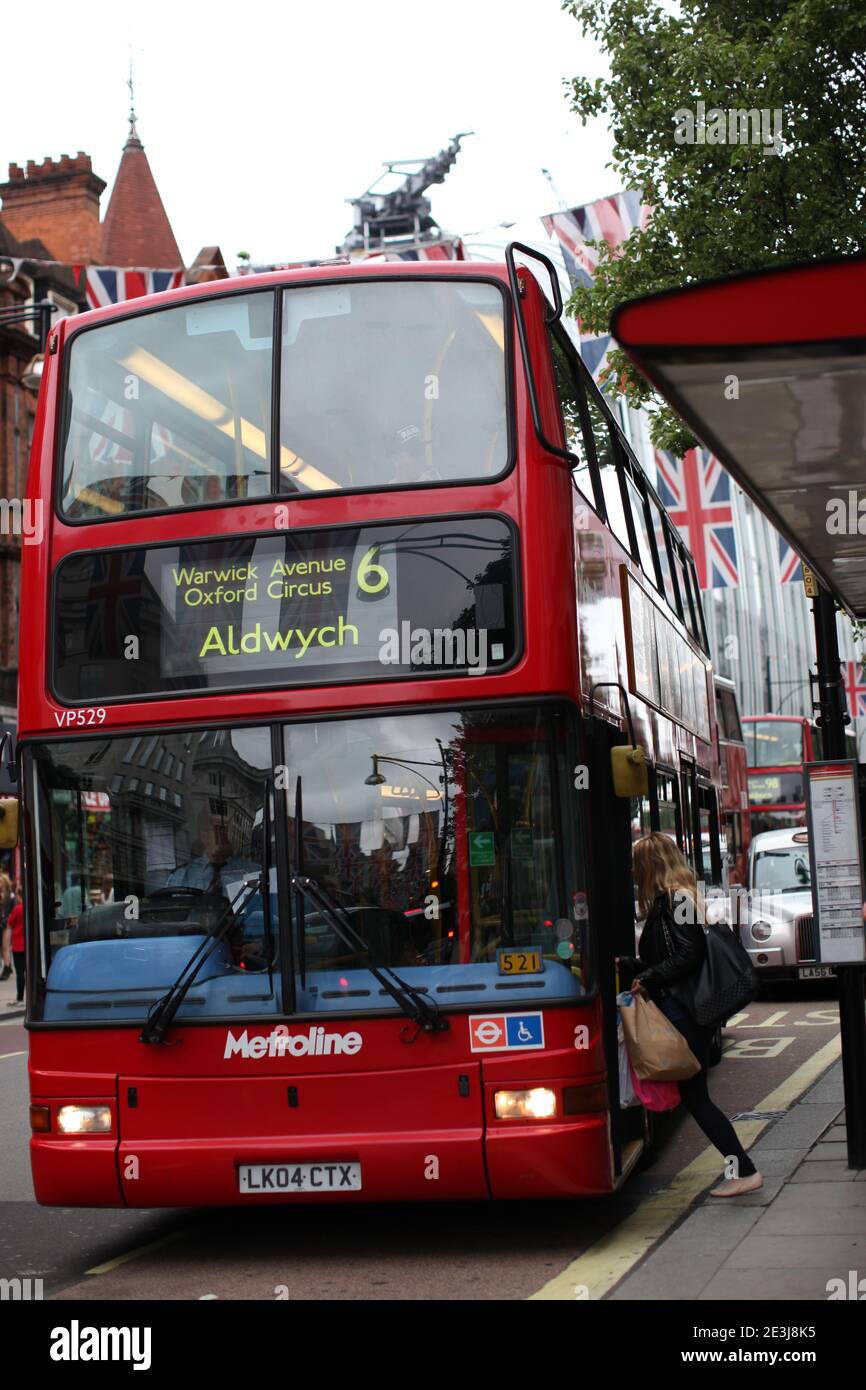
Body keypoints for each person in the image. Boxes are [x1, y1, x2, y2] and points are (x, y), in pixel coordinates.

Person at [621, 832, 763, 1198]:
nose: (632, 872)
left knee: (697, 1098)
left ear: (650, 866)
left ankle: (744, 1171)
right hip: (684, 1010)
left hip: (684, 1012)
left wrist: (646, 976)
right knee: (695, 1097)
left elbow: (690, 954)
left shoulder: (674, 899)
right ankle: (742, 1169)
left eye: (637, 865)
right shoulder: (674, 899)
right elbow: (672, 954)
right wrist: (633, 966)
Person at [7, 886, 23, 1006]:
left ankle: (19, 998)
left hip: (18, 945)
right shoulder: (29, 908)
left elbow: (9, 925)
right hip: (28, 946)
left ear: (18, 896)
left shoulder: (17, 909)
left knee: (19, 973)